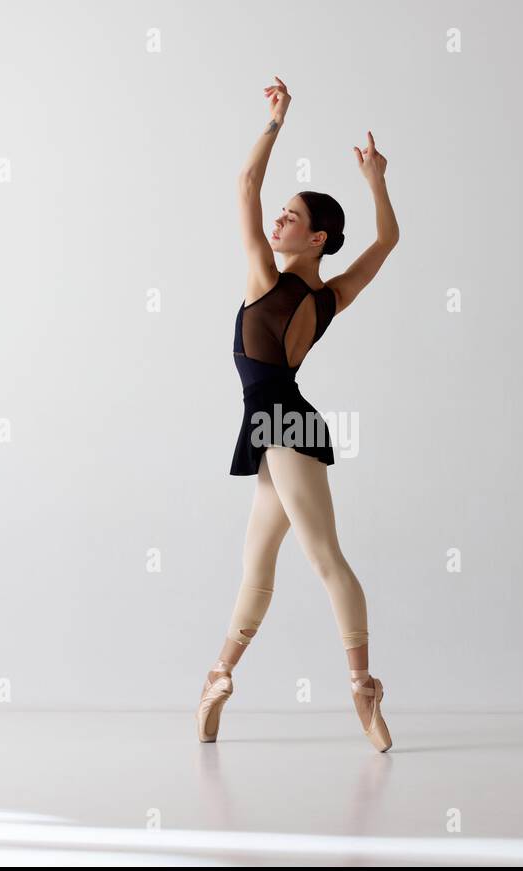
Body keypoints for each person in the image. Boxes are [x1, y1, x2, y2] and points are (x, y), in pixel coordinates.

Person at [198, 76, 400, 752]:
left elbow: (244, 185)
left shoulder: (271, 281)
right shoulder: (332, 297)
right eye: (278, 214)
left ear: (315, 238)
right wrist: (376, 182)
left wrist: (277, 122)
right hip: (277, 430)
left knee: (325, 560)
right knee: (257, 567)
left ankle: (362, 686)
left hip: (283, 425)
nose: (274, 221)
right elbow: (388, 242)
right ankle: (218, 675)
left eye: (289, 216)